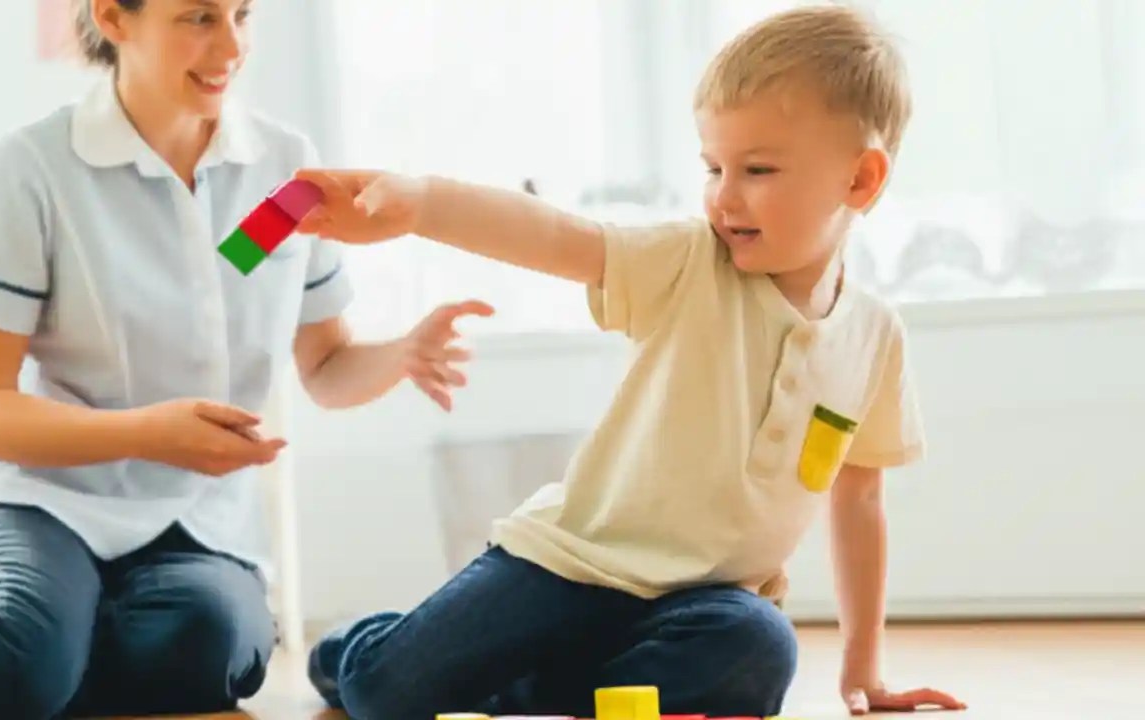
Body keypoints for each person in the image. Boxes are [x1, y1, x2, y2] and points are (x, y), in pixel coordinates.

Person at [294, 5, 969, 719]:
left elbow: (859, 500)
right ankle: (377, 648)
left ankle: (536, 691)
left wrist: (864, 670)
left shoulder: (875, 336)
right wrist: (421, 202)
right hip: (567, 566)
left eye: (758, 169)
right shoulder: (687, 262)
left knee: (758, 646)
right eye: (713, 167)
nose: (723, 195)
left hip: (699, 605)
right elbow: (555, 237)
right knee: (381, 695)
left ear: (860, 181)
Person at [0, 0, 490, 718]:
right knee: (20, 652)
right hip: (38, 503)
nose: (231, 45)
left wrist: (402, 355)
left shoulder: (280, 177)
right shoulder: (32, 169)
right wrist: (146, 433)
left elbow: (325, 365)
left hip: (195, 525)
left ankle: (35, 661)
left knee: (203, 650)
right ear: (114, 17)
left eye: (242, 15)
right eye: (198, 18)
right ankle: (27, 653)